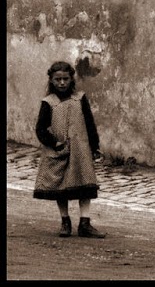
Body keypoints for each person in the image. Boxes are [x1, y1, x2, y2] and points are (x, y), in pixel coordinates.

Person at [34, 61, 106, 238]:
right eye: (57, 79)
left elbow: (90, 124)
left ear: (71, 79)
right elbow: (40, 129)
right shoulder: (48, 102)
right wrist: (54, 143)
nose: (62, 83)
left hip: (80, 150)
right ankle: (65, 221)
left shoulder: (80, 99)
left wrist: (94, 146)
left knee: (85, 182)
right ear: (51, 80)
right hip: (58, 150)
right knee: (60, 184)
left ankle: (85, 223)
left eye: (65, 79)